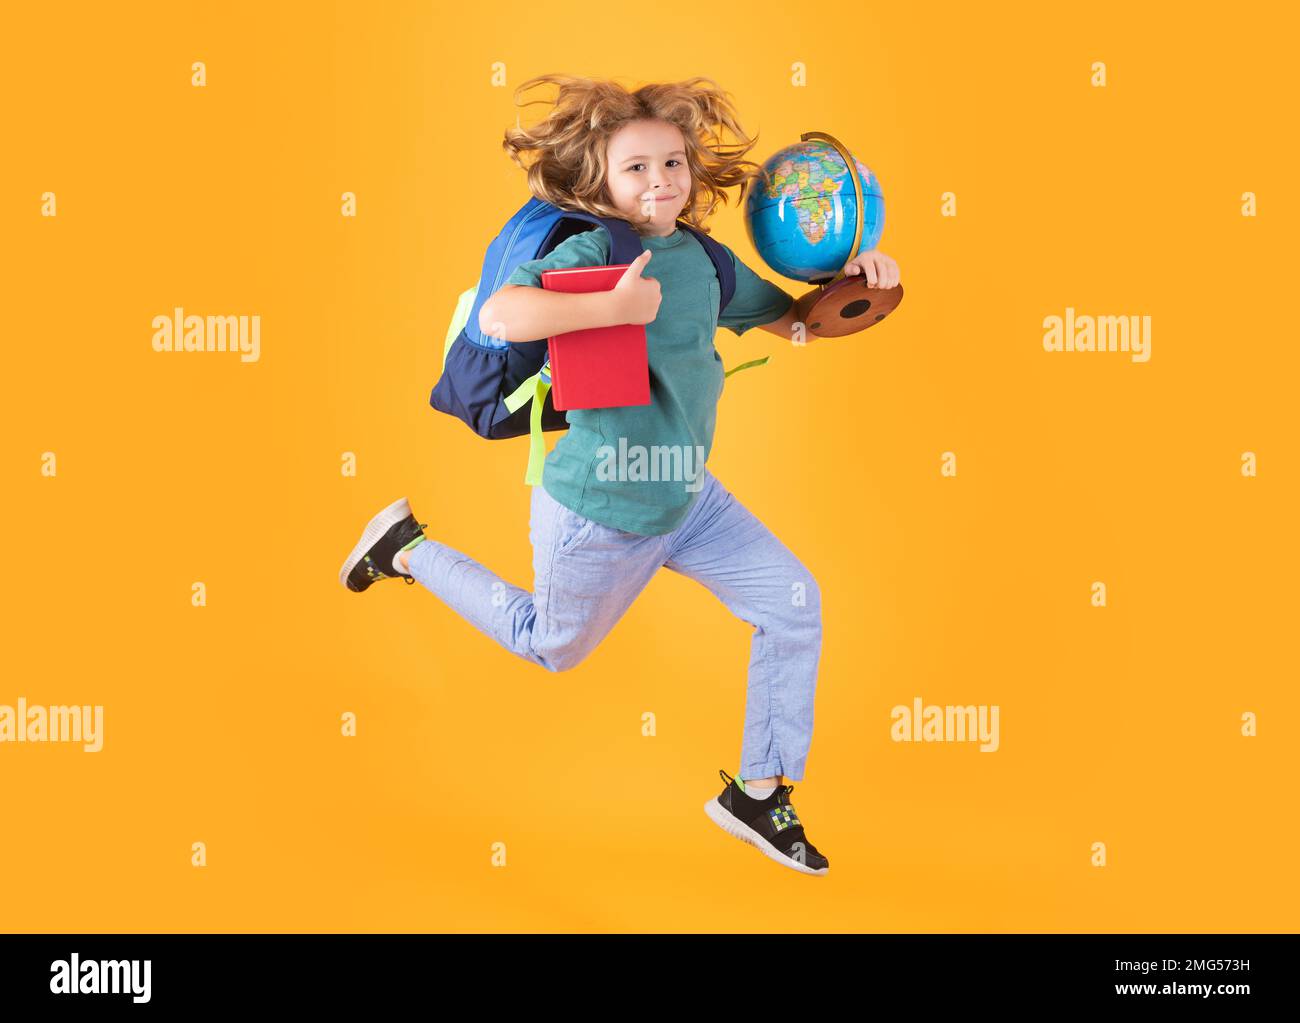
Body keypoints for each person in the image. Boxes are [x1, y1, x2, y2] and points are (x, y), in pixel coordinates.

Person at [339, 74, 901, 876]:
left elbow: (800, 324)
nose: (660, 181)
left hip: (686, 495)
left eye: (672, 163)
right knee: (551, 647)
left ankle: (756, 792)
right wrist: (607, 308)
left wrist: (860, 277)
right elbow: (501, 316)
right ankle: (404, 546)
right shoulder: (598, 248)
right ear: (599, 178)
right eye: (636, 167)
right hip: (598, 508)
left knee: (792, 601)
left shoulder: (706, 260)